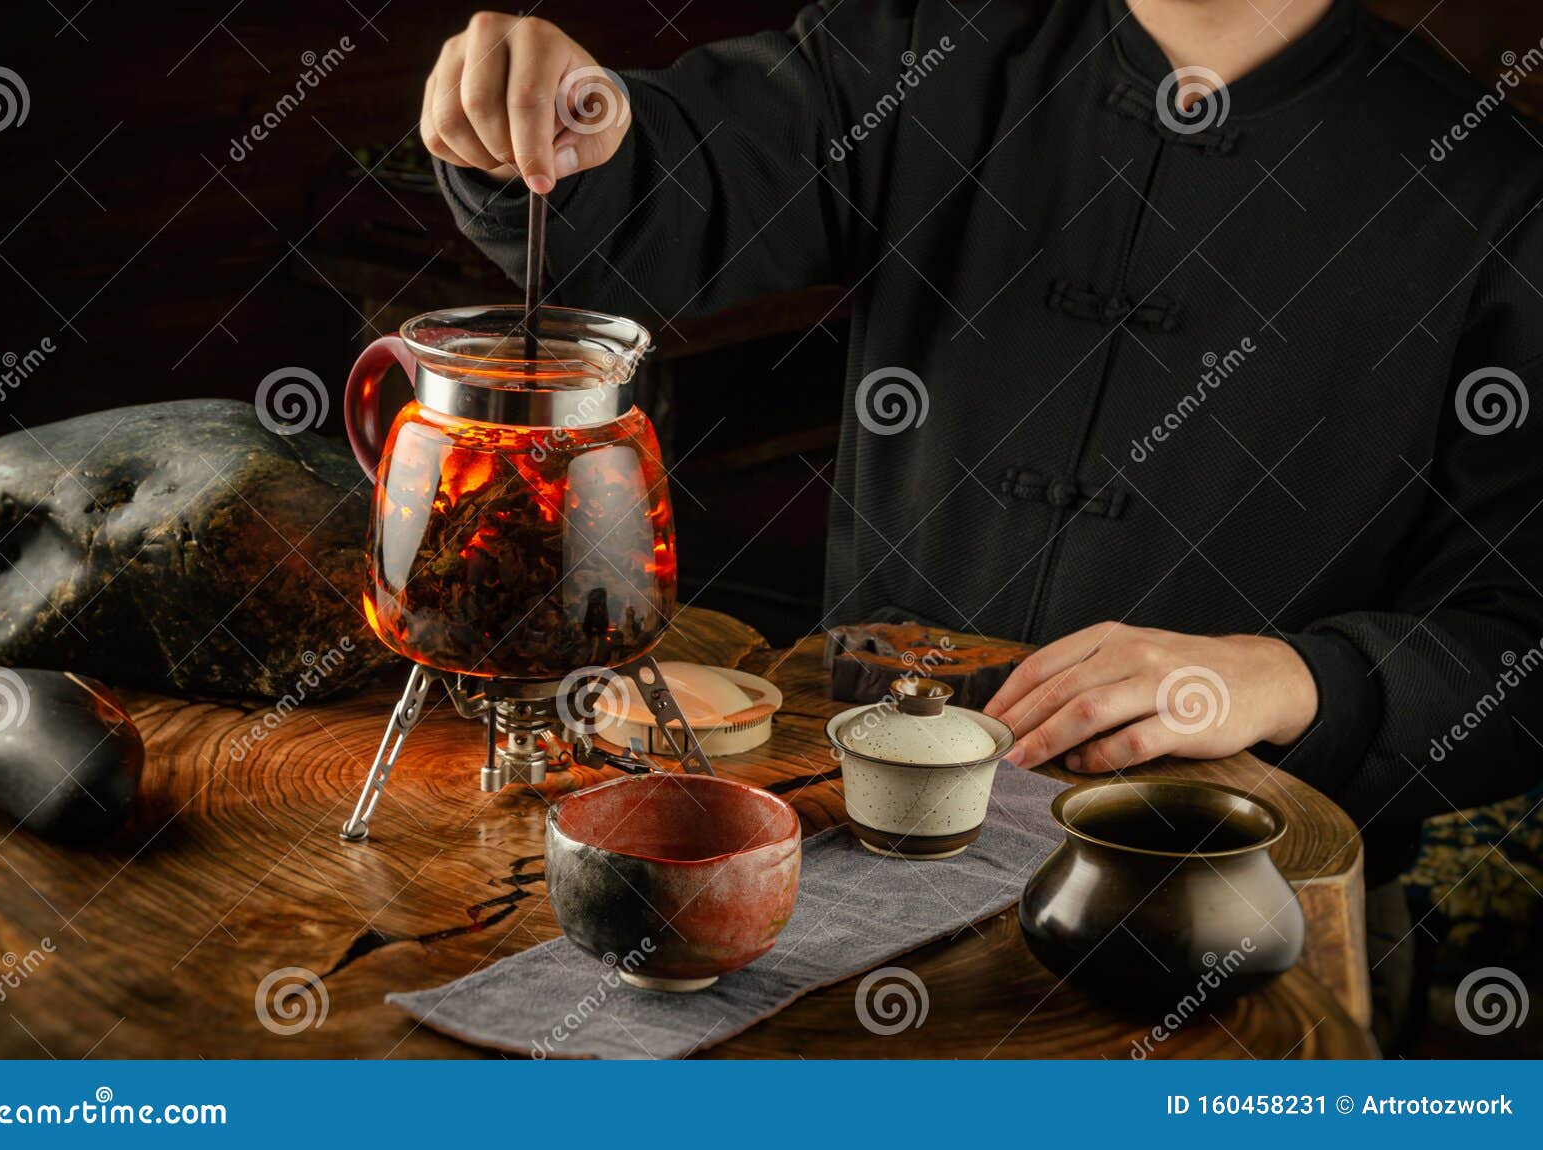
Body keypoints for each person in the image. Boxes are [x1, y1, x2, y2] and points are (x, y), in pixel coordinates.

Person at [421, 0, 1543, 1041]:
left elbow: (1518, 641)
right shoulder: (934, 42)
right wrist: (556, 118)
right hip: (852, 862)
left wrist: (1285, 676)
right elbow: (660, 189)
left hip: (1230, 914)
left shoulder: (1492, 186)